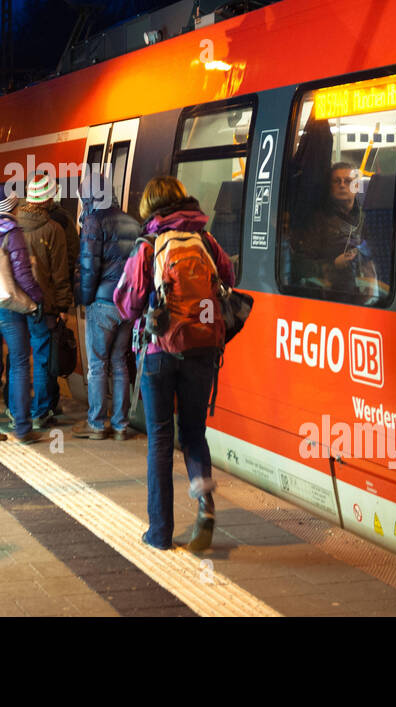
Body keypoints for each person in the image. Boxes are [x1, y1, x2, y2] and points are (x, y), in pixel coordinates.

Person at [114, 175, 234, 554]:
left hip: (158, 354)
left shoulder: (148, 245)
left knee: (161, 440)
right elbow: (229, 279)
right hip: (202, 351)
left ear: (149, 207)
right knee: (194, 433)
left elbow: (129, 304)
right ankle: (204, 500)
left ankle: (160, 532)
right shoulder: (205, 240)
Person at [0, 186, 47, 444]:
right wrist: (37, 300)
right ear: (12, 208)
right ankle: (23, 428)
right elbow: (23, 274)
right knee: (20, 363)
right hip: (5, 306)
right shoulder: (11, 233)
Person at [73, 175, 141, 441]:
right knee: (120, 362)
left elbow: (89, 266)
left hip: (102, 302)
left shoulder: (93, 221)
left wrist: (85, 298)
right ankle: (121, 424)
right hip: (127, 305)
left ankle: (98, 424)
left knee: (98, 364)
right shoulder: (132, 221)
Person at [13, 173, 72, 430]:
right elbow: (60, 273)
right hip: (42, 304)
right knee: (42, 357)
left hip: (13, 303)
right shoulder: (53, 229)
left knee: (17, 358)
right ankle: (40, 411)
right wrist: (63, 306)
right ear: (47, 198)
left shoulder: (11, 224)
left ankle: (17, 409)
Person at [294, 161, 377, 296]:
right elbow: (301, 266)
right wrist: (333, 264)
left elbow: (373, 254)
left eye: (348, 181)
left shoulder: (366, 217)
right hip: (328, 293)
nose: (342, 185)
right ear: (330, 187)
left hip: (363, 291)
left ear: (357, 186)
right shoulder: (317, 221)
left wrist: (371, 279)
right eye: (337, 181)